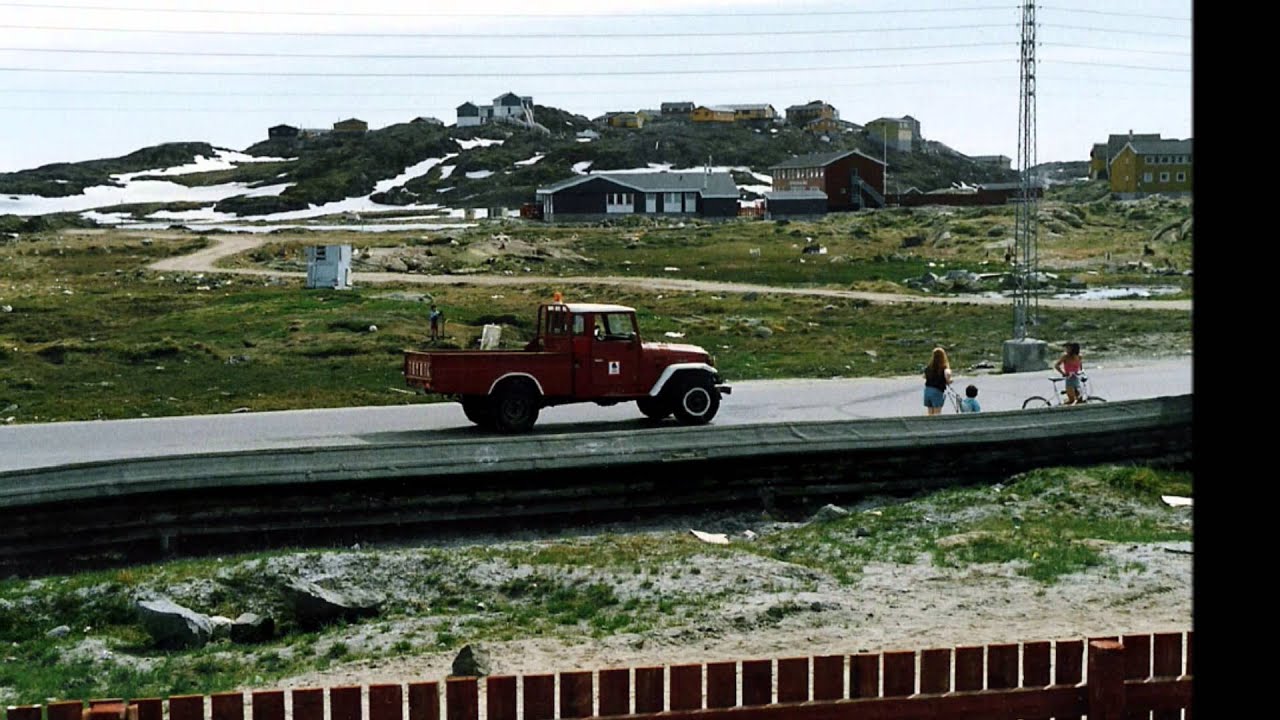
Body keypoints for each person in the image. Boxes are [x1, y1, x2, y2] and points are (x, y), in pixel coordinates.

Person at [923, 347, 952, 416]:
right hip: (937, 391)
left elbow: (924, 376)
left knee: (930, 413)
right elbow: (947, 377)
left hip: (927, 390)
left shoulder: (928, 368)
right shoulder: (944, 368)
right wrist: (950, 381)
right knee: (937, 413)